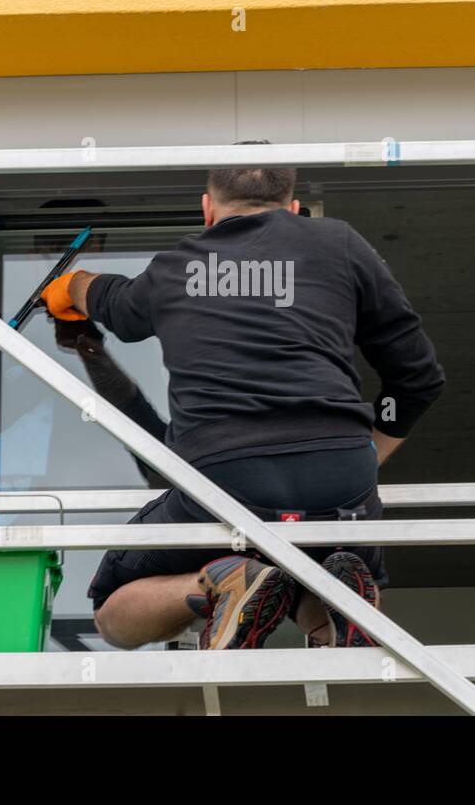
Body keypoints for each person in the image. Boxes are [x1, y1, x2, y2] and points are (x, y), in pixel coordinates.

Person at [41, 164, 445, 649]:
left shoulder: (178, 265)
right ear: (294, 208)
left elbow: (117, 304)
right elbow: (417, 378)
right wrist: (365, 457)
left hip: (225, 480)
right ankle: (335, 609)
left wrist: (70, 287)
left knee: (114, 610)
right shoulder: (339, 244)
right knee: (317, 566)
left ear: (207, 209)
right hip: (340, 476)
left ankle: (216, 582)